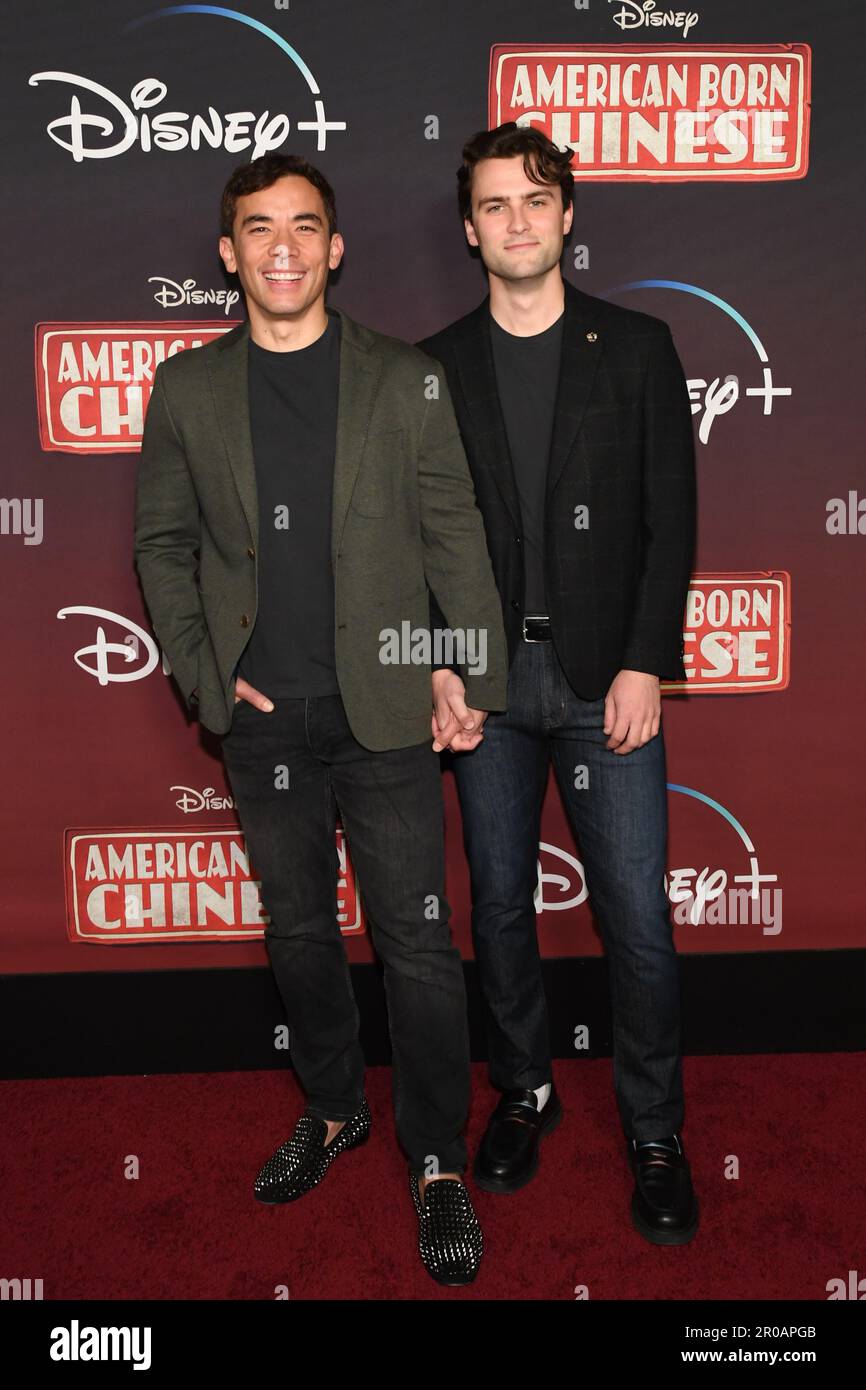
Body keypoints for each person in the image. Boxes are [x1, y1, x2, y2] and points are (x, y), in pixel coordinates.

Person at [134, 152, 508, 1284]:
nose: (284, 247)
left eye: (304, 226)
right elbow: (162, 546)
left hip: (385, 704)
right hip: (261, 719)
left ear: (335, 249)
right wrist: (207, 680)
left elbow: (453, 532)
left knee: (417, 947)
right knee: (298, 934)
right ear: (229, 252)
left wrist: (463, 668)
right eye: (260, 227)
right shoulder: (187, 388)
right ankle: (336, 1107)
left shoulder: (404, 379)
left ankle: (436, 1158)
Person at [417, 123, 699, 1244]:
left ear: (567, 215)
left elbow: (669, 519)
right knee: (497, 905)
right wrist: (440, 662)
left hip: (603, 680)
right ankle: (524, 1088)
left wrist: (643, 660)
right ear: (468, 227)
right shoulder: (433, 365)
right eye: (494, 204)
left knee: (637, 917)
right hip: (486, 686)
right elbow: (417, 537)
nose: (517, 221)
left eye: (536, 200)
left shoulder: (635, 346)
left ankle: (655, 1130)